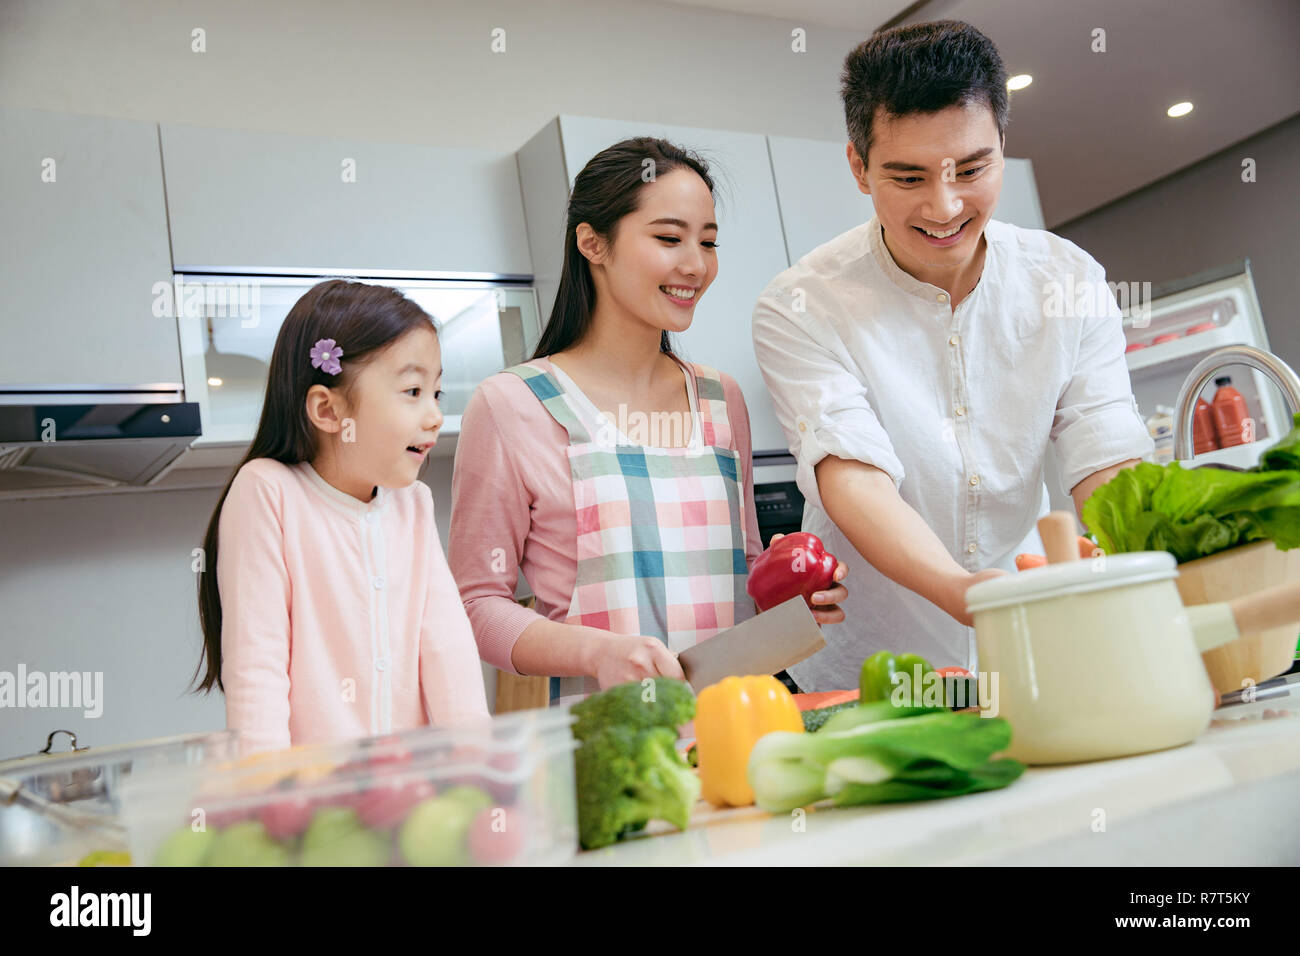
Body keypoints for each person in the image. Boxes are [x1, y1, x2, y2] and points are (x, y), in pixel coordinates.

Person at [752, 21, 1154, 692]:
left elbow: (1104, 445)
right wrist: (964, 592)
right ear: (858, 166)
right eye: (907, 176)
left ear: (1003, 145)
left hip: (1030, 637)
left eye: (972, 169)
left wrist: (1157, 557)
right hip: (866, 662)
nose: (944, 207)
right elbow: (853, 475)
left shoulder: (1067, 279)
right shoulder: (801, 304)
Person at [449, 137, 848, 704]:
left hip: (741, 721)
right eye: (668, 238)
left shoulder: (719, 397)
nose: (696, 264)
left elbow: (746, 571)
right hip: (611, 737)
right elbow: (477, 604)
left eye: (708, 242)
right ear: (592, 242)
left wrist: (788, 597)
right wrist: (598, 652)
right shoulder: (513, 405)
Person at [193, 279, 489, 754]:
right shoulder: (268, 491)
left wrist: (481, 768)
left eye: (437, 393)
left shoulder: (413, 504)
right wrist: (267, 793)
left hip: (408, 791)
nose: (434, 415)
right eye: (413, 390)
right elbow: (258, 670)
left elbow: (447, 651)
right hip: (311, 799)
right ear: (328, 410)